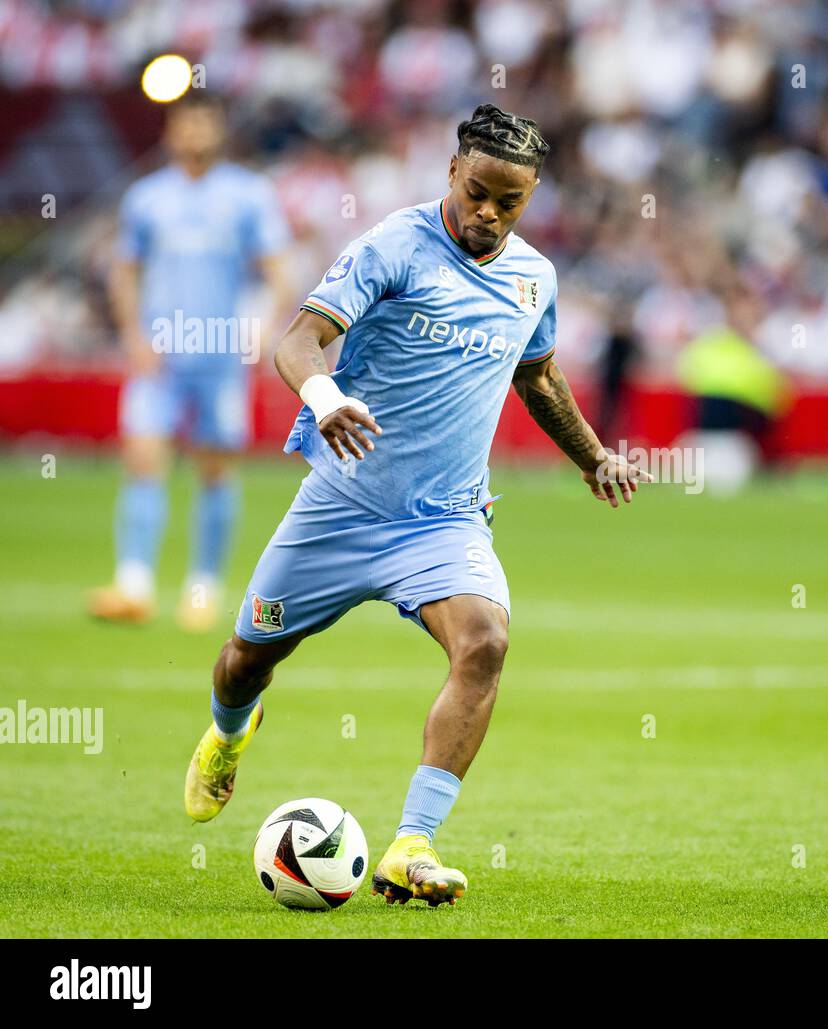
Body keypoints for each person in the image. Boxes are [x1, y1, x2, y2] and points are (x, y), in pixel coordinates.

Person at [182, 104, 650, 906]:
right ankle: (229, 734)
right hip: (340, 503)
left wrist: (594, 455)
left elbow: (537, 377)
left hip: (443, 520)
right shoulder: (394, 245)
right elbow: (294, 342)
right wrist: (327, 399)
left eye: (510, 201)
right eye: (478, 192)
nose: (488, 213)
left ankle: (412, 845)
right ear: (452, 172)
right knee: (245, 659)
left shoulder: (534, 276)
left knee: (486, 643)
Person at [90, 92, 292, 631]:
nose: (196, 132)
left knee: (215, 468)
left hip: (220, 354)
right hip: (159, 354)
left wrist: (265, 330)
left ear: (220, 130)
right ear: (170, 131)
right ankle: (133, 584)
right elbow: (126, 269)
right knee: (143, 458)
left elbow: (277, 270)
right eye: (187, 123)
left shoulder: (247, 195)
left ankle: (202, 588)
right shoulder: (147, 198)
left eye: (206, 122)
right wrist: (133, 333)